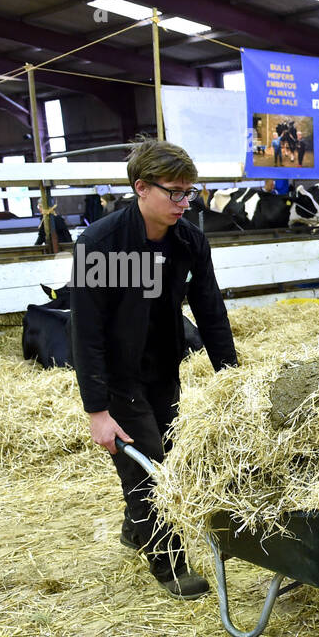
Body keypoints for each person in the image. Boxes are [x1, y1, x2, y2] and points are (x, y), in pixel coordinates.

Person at [69, 137, 238, 597]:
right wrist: (96, 410)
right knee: (150, 471)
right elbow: (85, 331)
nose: (185, 203)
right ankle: (169, 564)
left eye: (190, 193)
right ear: (141, 188)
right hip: (119, 376)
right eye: (175, 193)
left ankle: (133, 529)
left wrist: (231, 377)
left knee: (164, 454)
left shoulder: (188, 241)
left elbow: (210, 309)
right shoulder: (101, 245)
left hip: (165, 368)